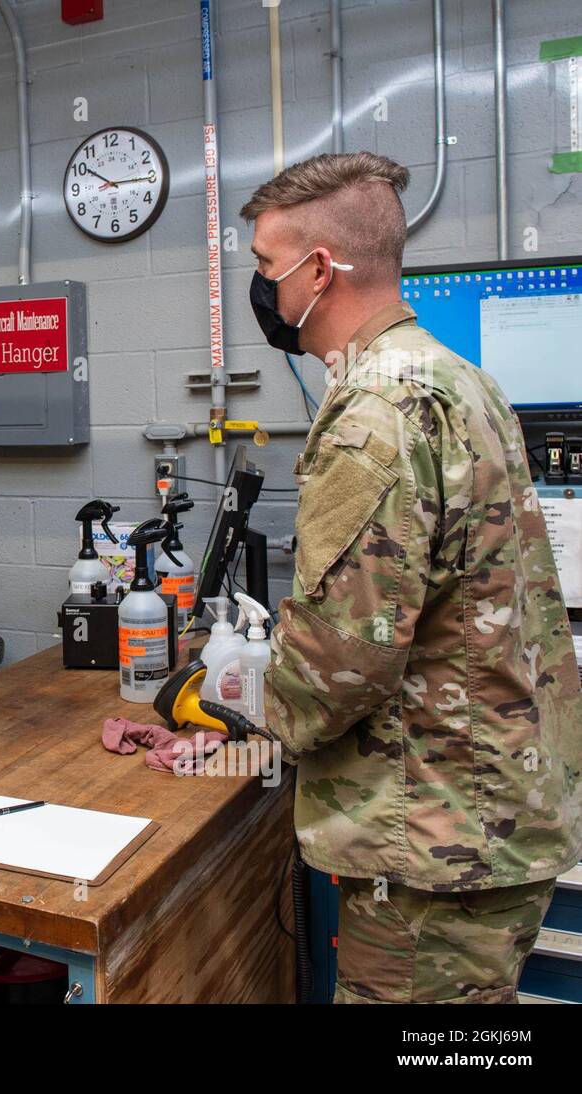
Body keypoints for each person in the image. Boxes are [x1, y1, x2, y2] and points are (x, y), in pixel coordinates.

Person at [240, 152, 582, 1004]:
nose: (262, 289)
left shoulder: (375, 412)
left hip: (436, 843)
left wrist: (241, 716)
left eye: (263, 266)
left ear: (317, 270)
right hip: (489, 810)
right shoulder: (461, 379)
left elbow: (341, 665)